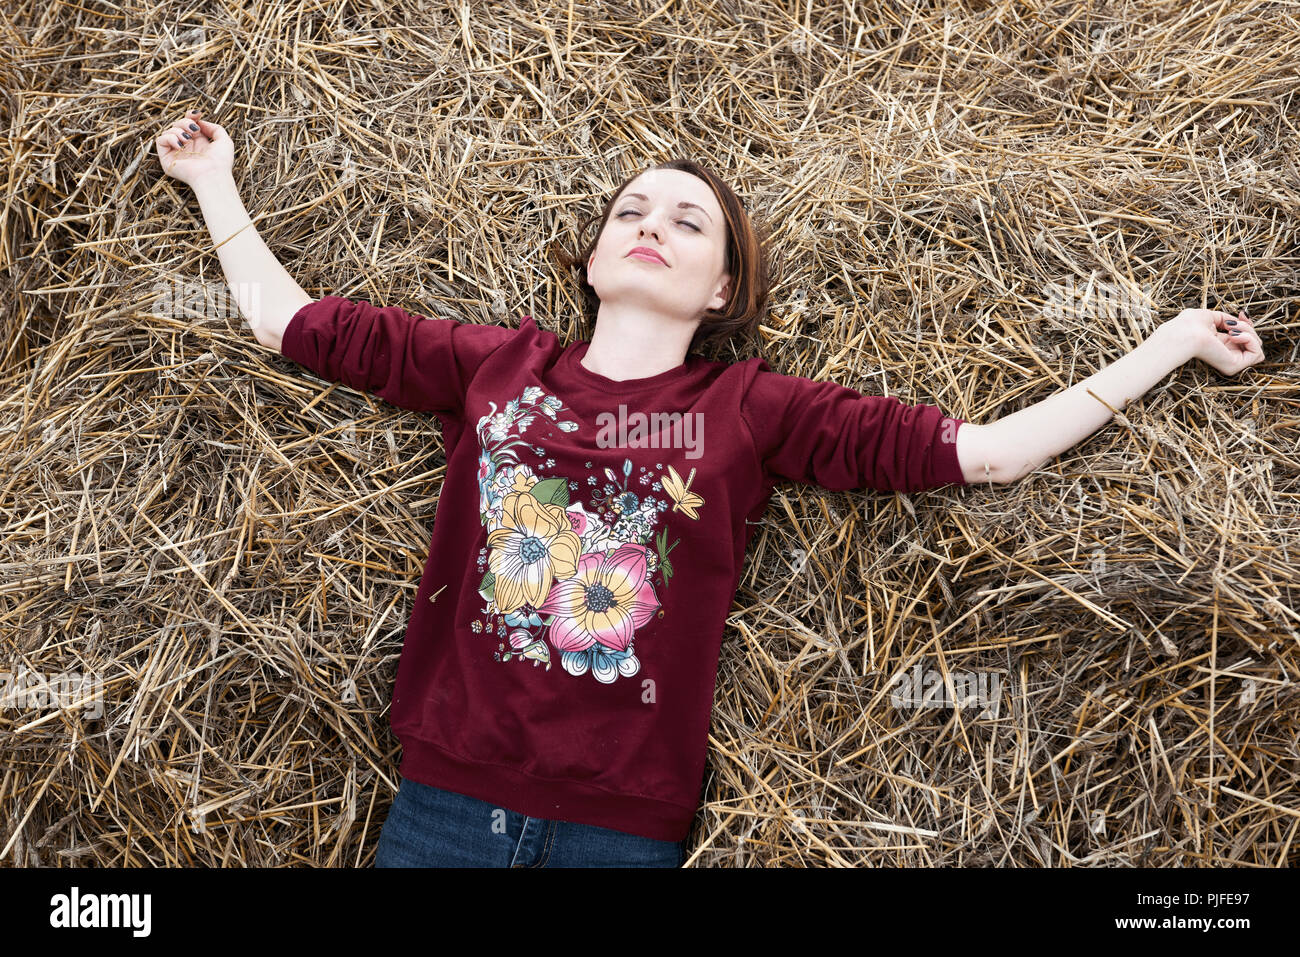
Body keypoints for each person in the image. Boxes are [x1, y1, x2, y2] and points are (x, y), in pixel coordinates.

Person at [155, 109, 1266, 868]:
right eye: (631, 212)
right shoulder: (494, 365)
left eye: (688, 223)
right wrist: (215, 180)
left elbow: (993, 454)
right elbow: (285, 323)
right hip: (442, 808)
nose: (652, 226)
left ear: (723, 286)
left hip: (621, 829)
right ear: (593, 259)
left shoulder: (756, 411)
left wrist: (1167, 343)